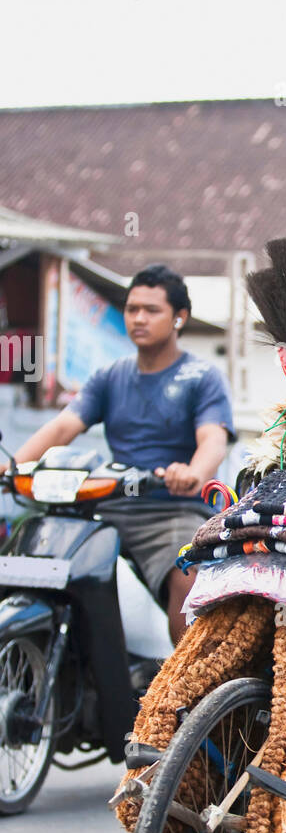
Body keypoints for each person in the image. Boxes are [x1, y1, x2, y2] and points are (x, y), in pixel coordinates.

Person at [9, 264, 235, 644]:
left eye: (151, 310)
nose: (139, 318)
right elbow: (63, 427)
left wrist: (194, 472)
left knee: (188, 578)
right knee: (40, 559)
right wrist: (12, 467)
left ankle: (186, 694)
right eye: (132, 309)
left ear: (180, 317)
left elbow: (213, 438)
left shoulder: (201, 376)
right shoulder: (109, 376)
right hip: (108, 502)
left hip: (170, 508)